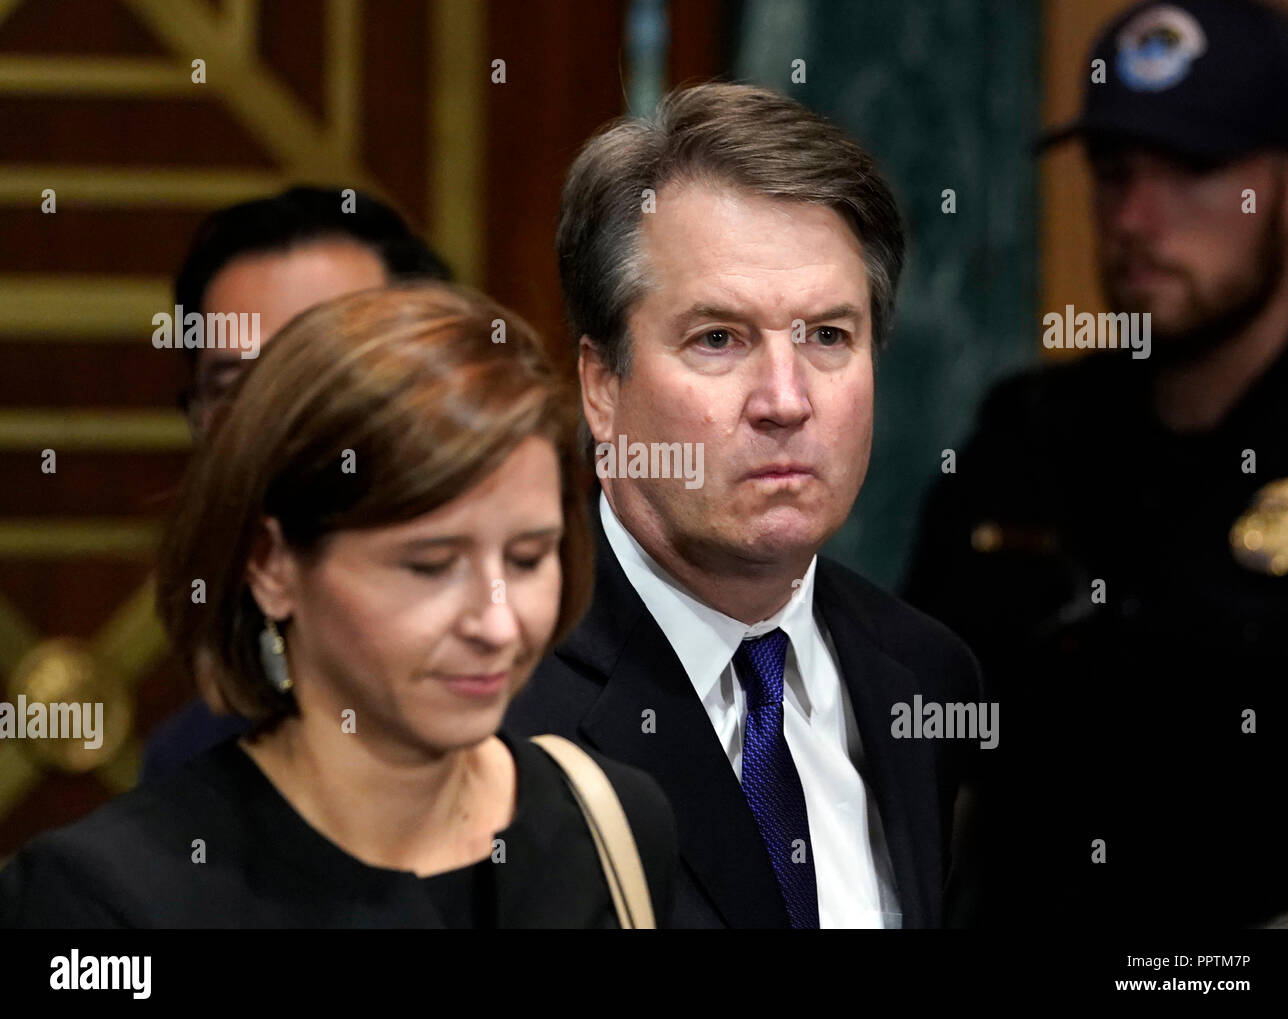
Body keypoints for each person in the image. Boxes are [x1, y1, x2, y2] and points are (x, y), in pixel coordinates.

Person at [0, 285, 676, 928]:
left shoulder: (610, 823)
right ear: (272, 564)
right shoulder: (104, 896)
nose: (498, 622)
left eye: (528, 558)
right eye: (430, 566)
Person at [506, 82, 984, 929]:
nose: (785, 399)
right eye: (719, 339)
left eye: (828, 336)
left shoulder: (926, 674)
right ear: (600, 385)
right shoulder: (493, 690)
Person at [903, 0, 1288, 926]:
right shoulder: (1030, 433)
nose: (1135, 217)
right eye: (1114, 173)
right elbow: (911, 731)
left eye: (1194, 170)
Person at [145, 186, 453, 780]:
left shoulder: (563, 700)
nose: (277, 417)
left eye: (324, 371)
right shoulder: (191, 760)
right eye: (236, 385)